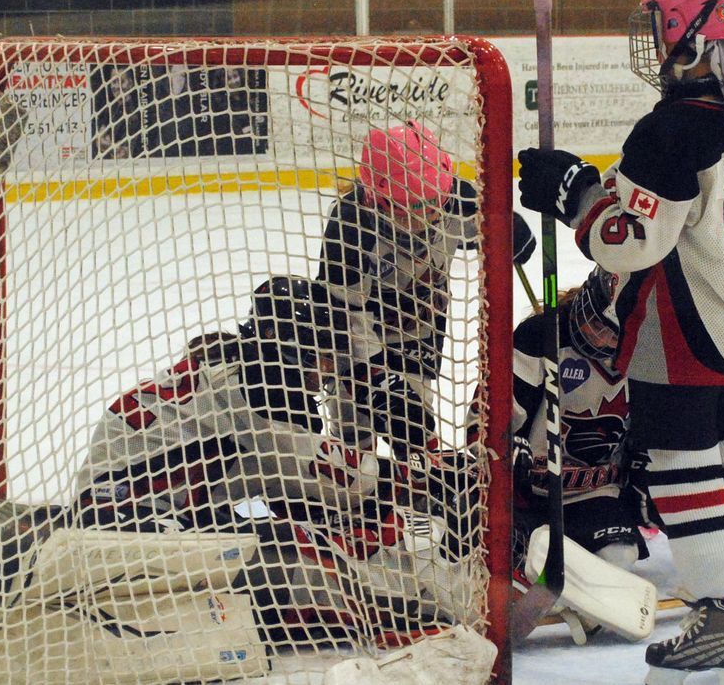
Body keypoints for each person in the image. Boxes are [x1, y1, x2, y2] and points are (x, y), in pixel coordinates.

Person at [517, 0, 724, 685]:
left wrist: (574, 192)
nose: (654, 31)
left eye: (661, 15)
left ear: (694, 22)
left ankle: (712, 612)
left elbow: (628, 242)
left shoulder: (672, 128)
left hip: (682, 331)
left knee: (683, 469)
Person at [71, 275, 472, 648]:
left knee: (299, 531)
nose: (329, 367)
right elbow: (349, 483)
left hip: (130, 519)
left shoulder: (238, 367)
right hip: (134, 534)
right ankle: (409, 608)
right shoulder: (263, 400)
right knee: (305, 554)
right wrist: (426, 474)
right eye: (320, 352)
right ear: (281, 342)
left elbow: (295, 491)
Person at [316, 120, 535, 464]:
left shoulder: (456, 200)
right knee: (353, 433)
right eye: (412, 208)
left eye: (434, 203)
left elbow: (495, 226)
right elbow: (343, 316)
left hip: (418, 336)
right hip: (357, 339)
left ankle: (416, 488)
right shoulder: (349, 224)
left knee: (416, 435)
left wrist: (510, 227)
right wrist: (375, 379)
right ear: (378, 196)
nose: (427, 216)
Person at [508, 267, 646, 641]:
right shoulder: (541, 336)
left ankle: (575, 587)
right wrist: (509, 445)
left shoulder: (650, 352)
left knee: (621, 557)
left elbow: (653, 431)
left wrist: (646, 476)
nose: (601, 340)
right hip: (527, 493)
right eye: (597, 327)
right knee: (505, 564)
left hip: (594, 492)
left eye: (614, 335)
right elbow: (493, 413)